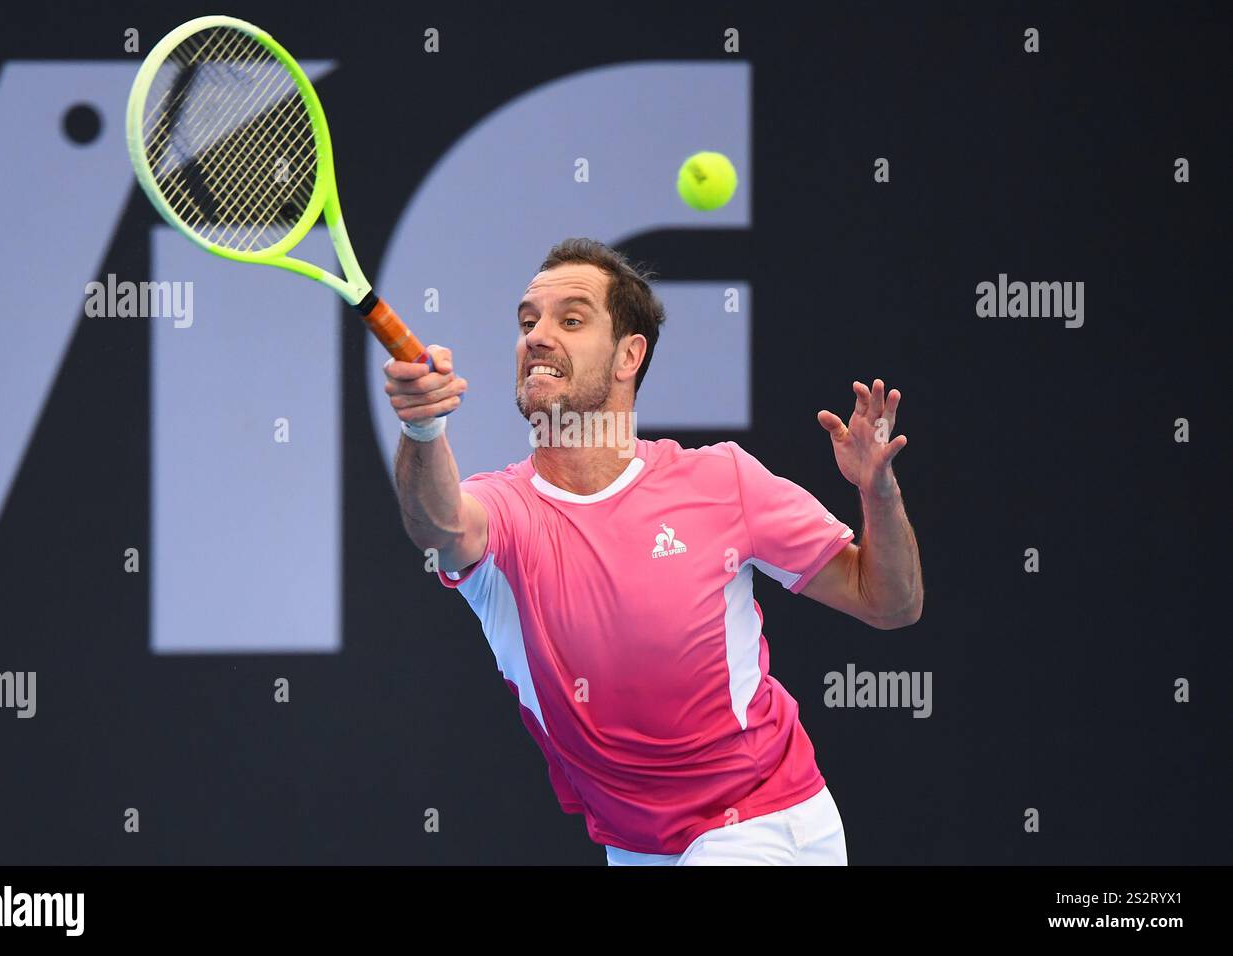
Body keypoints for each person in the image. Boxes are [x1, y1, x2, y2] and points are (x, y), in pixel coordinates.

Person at [385, 237, 923, 865]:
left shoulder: (722, 480)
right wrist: (422, 427)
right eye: (528, 322)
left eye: (571, 320)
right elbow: (441, 525)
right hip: (636, 847)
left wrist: (878, 494)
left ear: (628, 355)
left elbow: (890, 602)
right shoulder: (503, 512)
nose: (537, 337)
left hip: (762, 823)